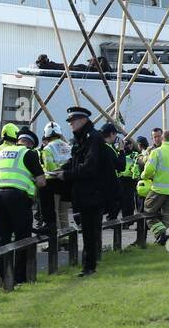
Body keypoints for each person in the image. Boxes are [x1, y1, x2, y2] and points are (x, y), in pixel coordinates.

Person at [0, 123, 46, 284]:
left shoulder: (2, 152)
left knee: (1, 238)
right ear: (31, 143)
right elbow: (41, 182)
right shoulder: (29, 154)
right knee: (22, 237)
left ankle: (2, 277)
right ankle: (19, 277)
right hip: (19, 197)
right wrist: (31, 188)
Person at [59, 106, 111, 277]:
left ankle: (89, 267)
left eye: (73, 121)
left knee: (90, 231)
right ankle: (89, 265)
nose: (71, 125)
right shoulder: (83, 139)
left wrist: (66, 175)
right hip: (85, 193)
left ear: (83, 121)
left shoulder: (92, 138)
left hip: (93, 193)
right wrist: (59, 170)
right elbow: (74, 161)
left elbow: (89, 168)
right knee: (88, 230)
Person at [140, 131, 169, 245]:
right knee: (168, 217)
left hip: (158, 190)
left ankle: (161, 234)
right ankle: (167, 242)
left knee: (148, 211)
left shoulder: (157, 152)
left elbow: (149, 170)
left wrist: (143, 176)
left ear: (162, 139)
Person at [37, 121, 73, 238]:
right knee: (64, 213)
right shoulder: (68, 147)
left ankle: (57, 240)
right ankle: (66, 238)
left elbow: (49, 168)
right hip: (67, 183)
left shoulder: (47, 149)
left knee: (55, 213)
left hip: (53, 183)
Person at [99, 121, 126, 222]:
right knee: (117, 200)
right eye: (115, 134)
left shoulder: (97, 146)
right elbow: (121, 166)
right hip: (109, 182)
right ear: (111, 134)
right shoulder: (107, 149)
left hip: (100, 181)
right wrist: (122, 150)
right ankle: (111, 219)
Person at [118, 137, 141, 223]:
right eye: (126, 144)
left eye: (129, 144)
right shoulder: (120, 153)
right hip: (122, 180)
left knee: (130, 201)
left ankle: (130, 220)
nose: (128, 146)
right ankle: (125, 221)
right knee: (124, 201)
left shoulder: (134, 154)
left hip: (131, 180)